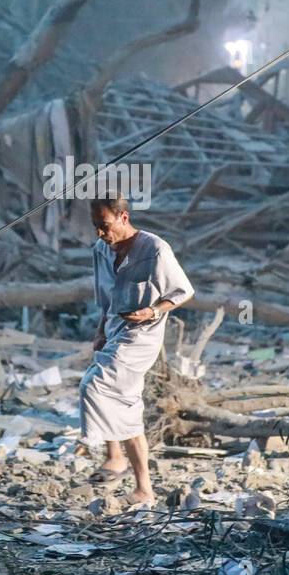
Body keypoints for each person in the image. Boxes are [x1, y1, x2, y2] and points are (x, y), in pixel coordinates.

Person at [81, 192, 194, 508]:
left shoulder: (155, 249)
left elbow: (183, 291)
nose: (101, 234)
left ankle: (113, 456)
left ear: (123, 217)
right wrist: (100, 332)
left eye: (105, 225)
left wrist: (153, 311)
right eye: (95, 227)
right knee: (127, 407)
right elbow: (105, 300)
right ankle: (144, 489)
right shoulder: (100, 250)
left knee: (94, 385)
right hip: (115, 333)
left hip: (143, 337)